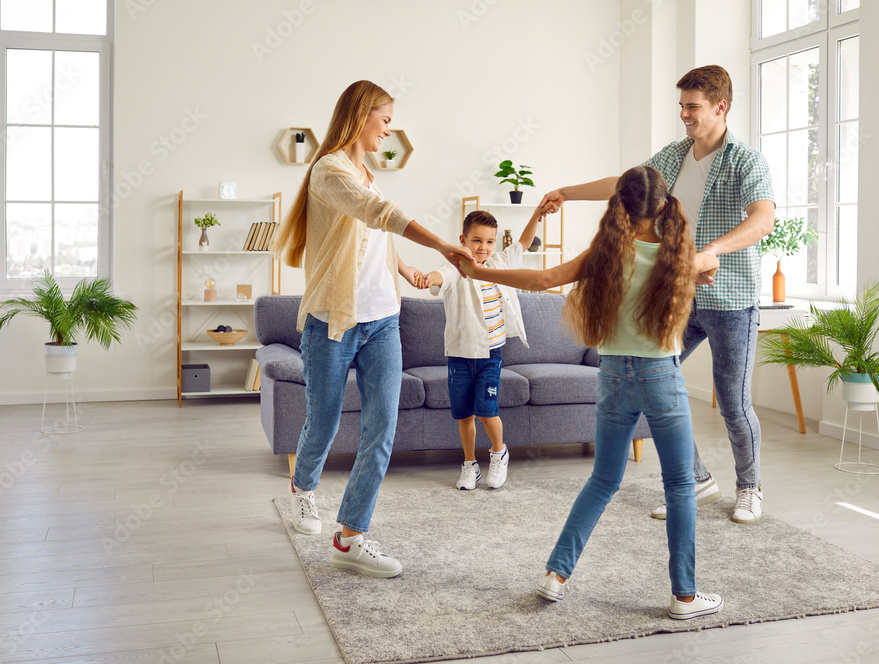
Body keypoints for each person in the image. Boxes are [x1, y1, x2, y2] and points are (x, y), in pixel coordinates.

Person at [460, 165, 723, 619]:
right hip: (661, 375)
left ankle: (555, 575)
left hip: (613, 374)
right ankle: (684, 597)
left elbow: (542, 280)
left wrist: (478, 271)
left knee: (603, 480)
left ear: (619, 204)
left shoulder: (604, 255)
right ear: (663, 205)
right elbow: (709, 265)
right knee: (680, 484)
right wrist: (695, 274)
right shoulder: (680, 253)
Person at [539, 65, 775, 525]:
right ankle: (700, 480)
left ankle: (750, 486)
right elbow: (625, 185)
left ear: (720, 106)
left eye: (693, 107)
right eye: (682, 106)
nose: (684, 114)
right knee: (654, 386)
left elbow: (762, 220)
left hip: (730, 299)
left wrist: (709, 253)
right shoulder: (674, 155)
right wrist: (566, 192)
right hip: (678, 298)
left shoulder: (746, 161)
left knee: (732, 401)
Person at [272, 80, 474, 578]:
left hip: (384, 320)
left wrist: (407, 270)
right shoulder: (330, 171)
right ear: (361, 116)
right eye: (384, 119)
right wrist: (446, 246)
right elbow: (379, 214)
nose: (388, 128)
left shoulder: (365, 172)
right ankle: (302, 489)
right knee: (323, 420)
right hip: (333, 320)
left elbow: (373, 235)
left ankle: (352, 534)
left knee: (382, 427)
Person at [414, 205, 549, 490]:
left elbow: (524, 243)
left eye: (489, 241)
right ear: (463, 241)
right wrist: (428, 279)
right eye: (476, 240)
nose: (483, 247)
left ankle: (499, 453)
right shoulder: (454, 268)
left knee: (487, 412)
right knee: (464, 415)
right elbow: (440, 277)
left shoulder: (500, 263)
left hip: (491, 355)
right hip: (460, 356)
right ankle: (469, 465)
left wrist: (537, 214)